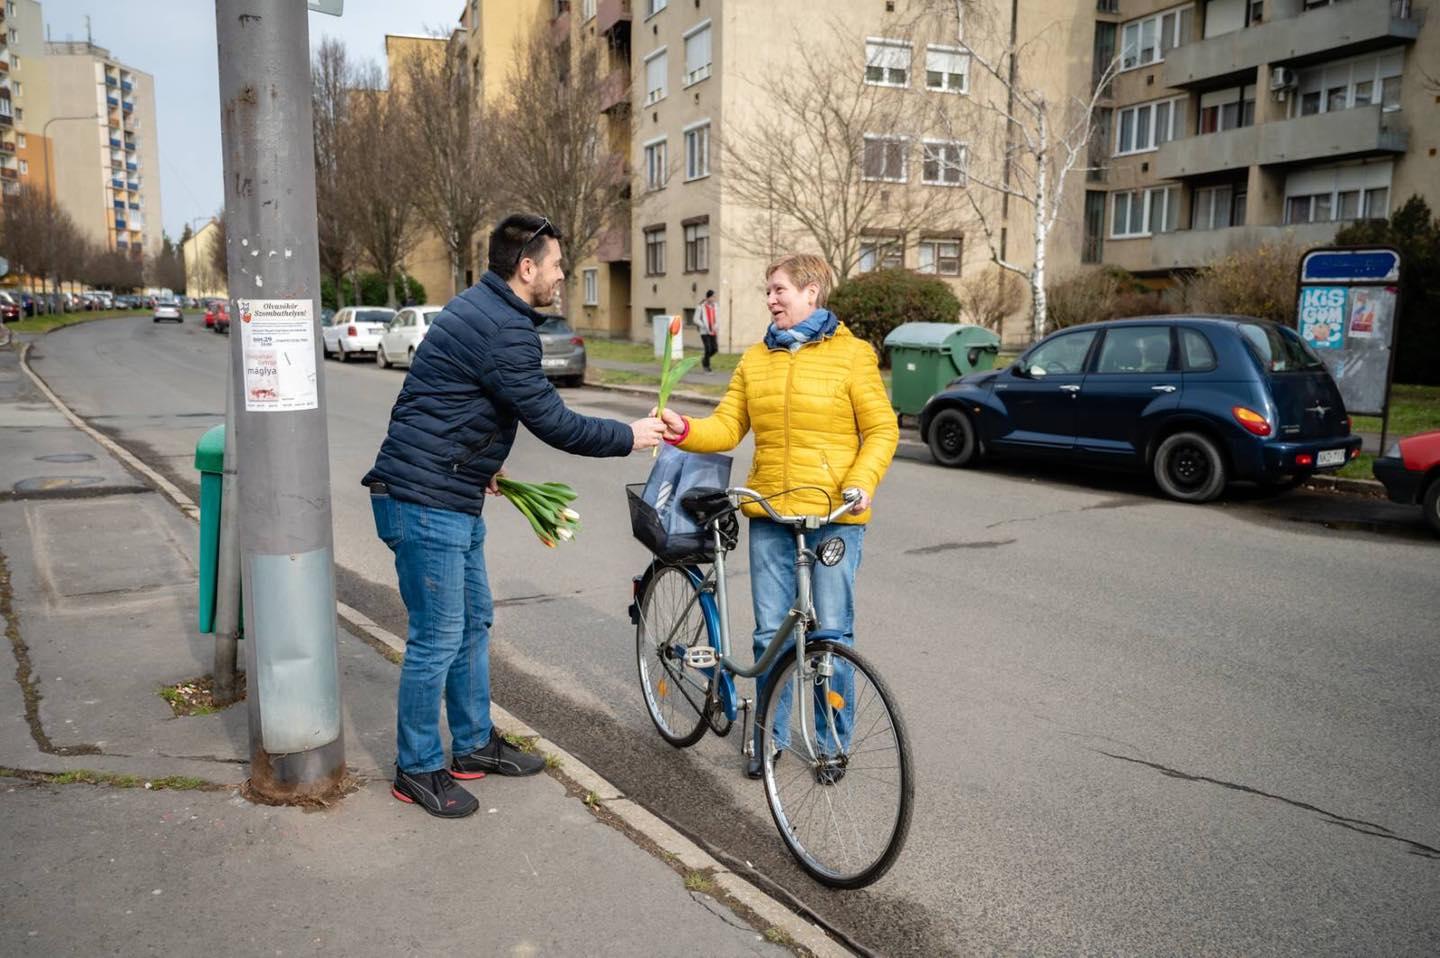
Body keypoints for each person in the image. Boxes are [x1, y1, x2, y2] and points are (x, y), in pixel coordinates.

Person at [363, 213, 667, 819]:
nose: (560, 274)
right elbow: (553, 421)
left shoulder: (479, 308)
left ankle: (473, 744)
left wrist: (476, 462)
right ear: (526, 269)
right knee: (437, 639)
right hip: (426, 502)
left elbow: (429, 399)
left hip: (448, 489)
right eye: (556, 265)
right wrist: (628, 435)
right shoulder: (502, 327)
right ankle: (417, 767)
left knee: (473, 623)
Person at [656, 253, 898, 779]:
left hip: (834, 517)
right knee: (771, 637)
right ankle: (766, 736)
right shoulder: (755, 359)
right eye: (769, 291)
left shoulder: (853, 356)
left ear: (813, 292)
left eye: (780, 289)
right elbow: (727, 426)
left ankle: (832, 742)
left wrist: (861, 481)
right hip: (770, 513)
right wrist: (684, 430)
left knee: (831, 637)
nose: (771, 299)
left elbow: (882, 429)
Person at [694, 289, 719, 372]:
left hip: (713, 331)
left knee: (715, 349)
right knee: (708, 349)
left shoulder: (715, 306)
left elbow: (718, 317)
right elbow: (695, 319)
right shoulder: (701, 306)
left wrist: (716, 325)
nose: (714, 298)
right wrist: (703, 325)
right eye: (712, 297)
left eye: (714, 297)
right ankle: (707, 366)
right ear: (708, 297)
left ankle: (704, 359)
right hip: (704, 332)